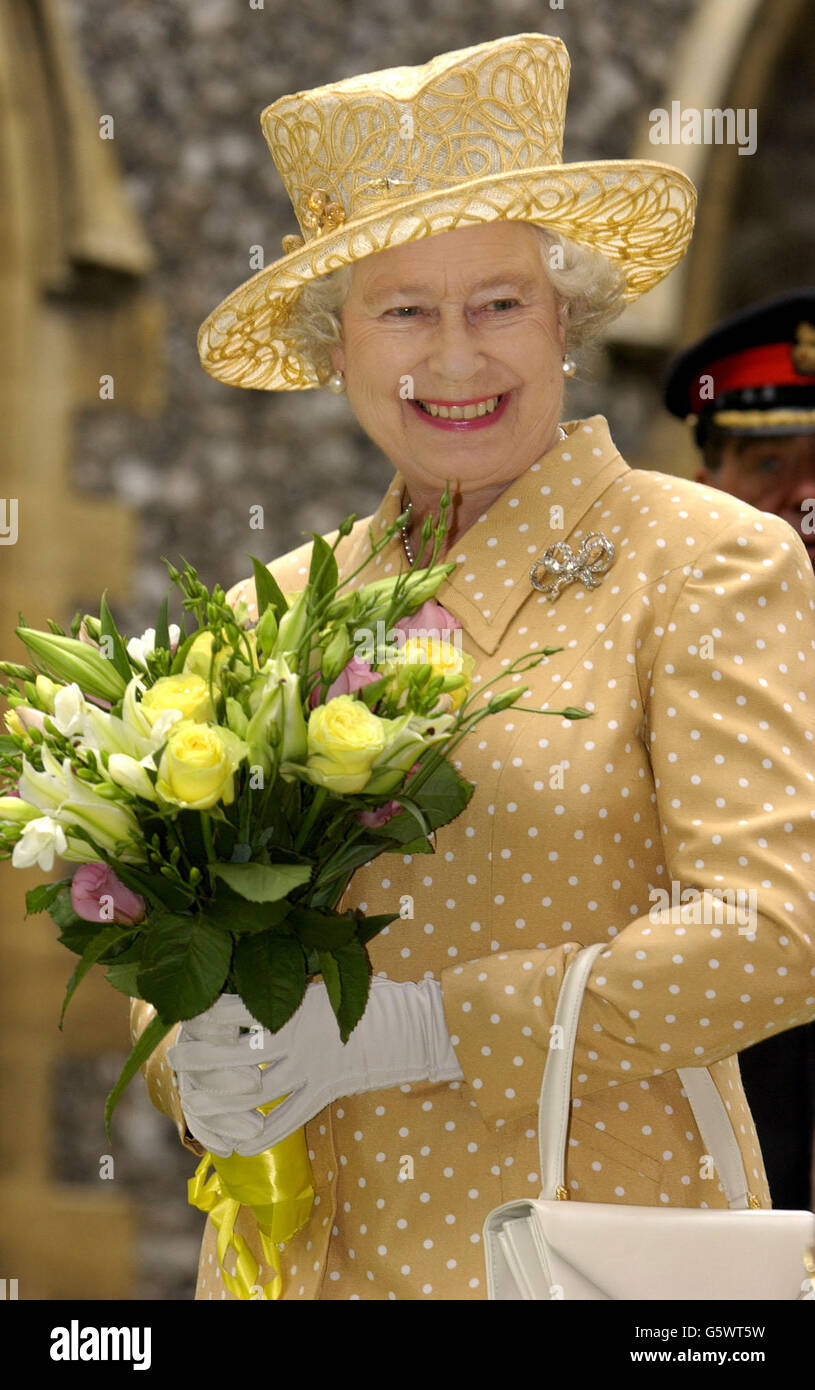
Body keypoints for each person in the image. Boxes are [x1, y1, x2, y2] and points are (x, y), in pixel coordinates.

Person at [131, 34, 815, 1301]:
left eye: (497, 303)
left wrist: (432, 1027)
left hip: (588, 1262)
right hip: (298, 1271)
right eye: (404, 311)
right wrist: (192, 1054)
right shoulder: (266, 613)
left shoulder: (705, 560)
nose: (454, 358)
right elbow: (187, 931)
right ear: (338, 348)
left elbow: (773, 931)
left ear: (568, 316)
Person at [664, 292, 815, 1211]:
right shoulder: (648, 639)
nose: (804, 497)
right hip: (708, 1057)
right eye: (768, 463)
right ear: (706, 483)